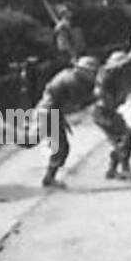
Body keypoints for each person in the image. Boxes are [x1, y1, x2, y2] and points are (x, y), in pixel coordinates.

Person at [37, 55, 99, 187]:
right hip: (49, 113)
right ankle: (49, 178)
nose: (93, 75)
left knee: (60, 147)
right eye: (91, 72)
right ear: (84, 71)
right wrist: (96, 97)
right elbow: (77, 104)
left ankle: (49, 177)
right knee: (60, 148)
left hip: (50, 111)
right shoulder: (73, 81)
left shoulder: (69, 75)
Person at [93, 36, 131, 180]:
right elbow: (122, 65)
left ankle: (112, 170)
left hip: (106, 112)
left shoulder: (113, 76)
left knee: (118, 141)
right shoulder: (107, 71)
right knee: (126, 137)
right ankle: (125, 168)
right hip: (103, 112)